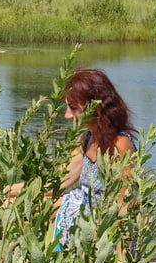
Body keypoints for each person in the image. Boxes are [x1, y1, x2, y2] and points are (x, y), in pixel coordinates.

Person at [51, 68, 138, 246]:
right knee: (20, 204)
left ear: (96, 106)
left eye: (73, 108)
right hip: (81, 217)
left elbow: (126, 205)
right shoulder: (86, 138)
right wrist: (5, 192)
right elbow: (55, 183)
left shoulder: (120, 145)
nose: (67, 115)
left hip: (106, 232)